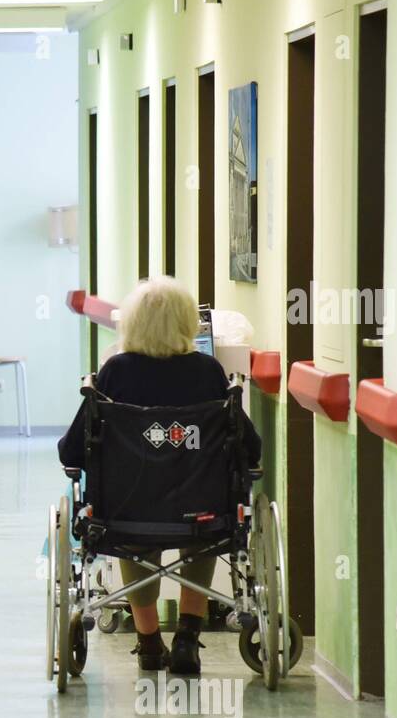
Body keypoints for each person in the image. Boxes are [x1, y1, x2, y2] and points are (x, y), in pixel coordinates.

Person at [58, 276, 261, 675]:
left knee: (137, 536)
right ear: (187, 323)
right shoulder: (208, 372)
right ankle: (187, 639)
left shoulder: (114, 373)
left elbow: (71, 450)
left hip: (127, 513)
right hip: (201, 513)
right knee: (201, 528)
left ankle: (149, 642)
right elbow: (249, 447)